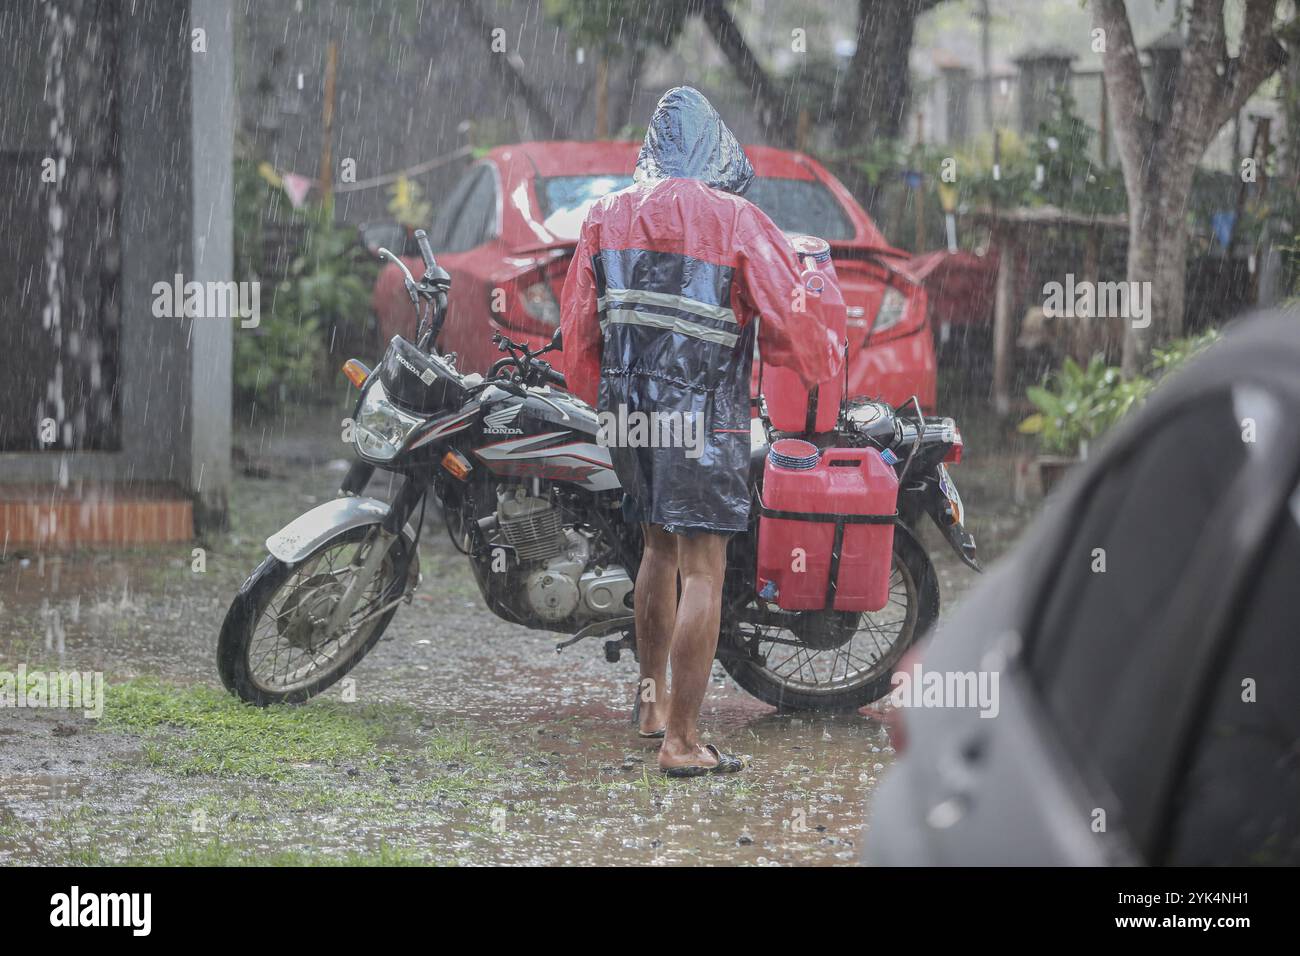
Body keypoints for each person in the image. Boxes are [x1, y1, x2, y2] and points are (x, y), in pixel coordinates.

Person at [560, 87, 843, 776]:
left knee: (655, 549)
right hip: (701, 414)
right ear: (718, 150)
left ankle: (652, 703)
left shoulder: (605, 216)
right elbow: (798, 331)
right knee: (703, 569)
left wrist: (601, 390)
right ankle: (682, 744)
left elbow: (577, 331)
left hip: (627, 410)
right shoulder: (738, 220)